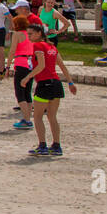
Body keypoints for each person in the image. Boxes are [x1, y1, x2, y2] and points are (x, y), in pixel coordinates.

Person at [18, 22, 75, 157]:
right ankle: (56, 145)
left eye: (31, 34)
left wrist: (27, 78)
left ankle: (42, 145)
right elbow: (62, 66)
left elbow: (41, 65)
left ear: (39, 34)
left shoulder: (37, 46)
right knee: (52, 117)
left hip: (44, 84)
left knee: (37, 117)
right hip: (56, 84)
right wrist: (70, 82)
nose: (29, 37)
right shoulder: (52, 47)